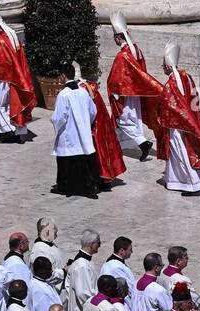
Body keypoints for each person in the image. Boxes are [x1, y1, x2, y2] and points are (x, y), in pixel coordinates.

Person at [155, 43, 200, 194]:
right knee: (186, 152)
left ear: (167, 67)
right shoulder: (186, 77)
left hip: (176, 126)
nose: (162, 68)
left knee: (181, 154)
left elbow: (168, 106)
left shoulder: (170, 84)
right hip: (187, 123)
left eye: (163, 65)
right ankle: (178, 180)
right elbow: (194, 97)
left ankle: (192, 184)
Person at [107, 10, 161, 163]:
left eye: (114, 38)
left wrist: (115, 93)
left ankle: (143, 144)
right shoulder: (137, 50)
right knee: (131, 120)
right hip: (135, 93)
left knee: (123, 121)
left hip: (125, 95)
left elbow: (117, 79)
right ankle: (116, 146)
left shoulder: (122, 56)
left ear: (118, 38)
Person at [0, 2, 35, 143]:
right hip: (15, 77)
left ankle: (7, 132)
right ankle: (15, 130)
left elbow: (0, 62)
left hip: (4, 79)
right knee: (12, 105)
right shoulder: (11, 34)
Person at [50, 65, 100, 199]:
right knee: (82, 160)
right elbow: (93, 111)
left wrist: (54, 121)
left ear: (63, 76)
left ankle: (66, 187)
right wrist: (85, 123)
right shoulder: (83, 92)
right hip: (83, 133)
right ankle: (88, 187)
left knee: (67, 161)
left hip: (68, 134)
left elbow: (60, 117)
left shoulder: (63, 94)